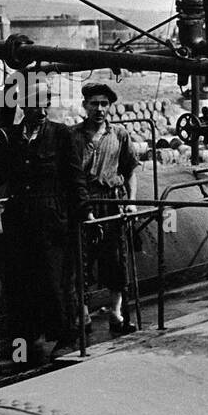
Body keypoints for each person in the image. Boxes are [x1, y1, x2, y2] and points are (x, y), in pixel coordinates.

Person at [0, 82, 88, 362]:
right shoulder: (12, 137)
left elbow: (75, 177)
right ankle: (24, 342)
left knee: (54, 279)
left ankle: (65, 335)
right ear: (23, 105)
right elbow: (1, 175)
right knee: (21, 280)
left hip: (51, 217)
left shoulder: (61, 134)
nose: (42, 108)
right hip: (19, 217)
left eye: (45, 101)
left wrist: (84, 211)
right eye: (36, 102)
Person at [70, 82, 139, 334]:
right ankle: (83, 315)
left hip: (111, 202)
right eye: (94, 104)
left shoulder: (119, 135)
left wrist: (131, 202)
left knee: (115, 260)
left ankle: (116, 314)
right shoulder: (73, 136)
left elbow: (131, 169)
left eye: (104, 104)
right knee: (81, 260)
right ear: (85, 106)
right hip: (82, 201)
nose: (99, 109)